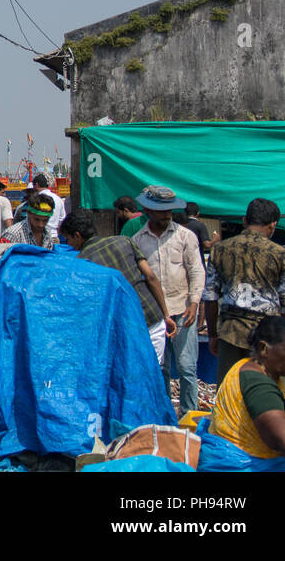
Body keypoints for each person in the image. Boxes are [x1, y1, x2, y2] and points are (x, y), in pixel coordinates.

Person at [129, 186, 204, 412]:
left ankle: (189, 413)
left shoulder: (185, 236)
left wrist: (194, 302)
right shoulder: (137, 240)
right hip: (155, 315)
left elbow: (196, 271)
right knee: (159, 367)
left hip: (182, 310)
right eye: (161, 211)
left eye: (169, 210)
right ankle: (164, 412)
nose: (166, 215)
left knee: (187, 367)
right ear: (147, 210)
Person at [65, 209, 176, 364]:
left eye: (68, 239)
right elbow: (151, 277)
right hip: (152, 318)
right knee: (153, 374)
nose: (69, 244)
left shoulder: (81, 263)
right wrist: (166, 315)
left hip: (125, 328)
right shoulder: (124, 241)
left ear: (77, 235)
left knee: (132, 378)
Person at [204, 197, 285, 383]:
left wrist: (213, 334)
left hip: (230, 333)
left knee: (229, 391)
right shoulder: (279, 253)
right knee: (263, 391)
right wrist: (281, 337)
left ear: (245, 221)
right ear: (273, 225)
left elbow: (210, 297)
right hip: (266, 338)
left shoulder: (220, 249)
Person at [206, 316, 285, 465]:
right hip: (245, 465)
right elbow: (284, 441)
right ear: (263, 348)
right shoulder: (259, 384)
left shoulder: (249, 367)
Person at [32, 174, 65, 241]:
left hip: (39, 239)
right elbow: (62, 219)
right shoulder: (58, 199)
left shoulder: (36, 199)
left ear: (37, 185)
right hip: (54, 237)